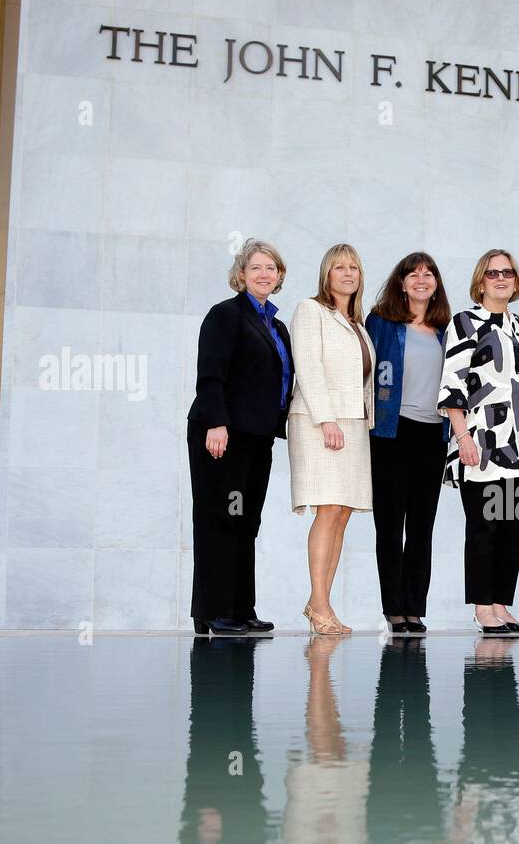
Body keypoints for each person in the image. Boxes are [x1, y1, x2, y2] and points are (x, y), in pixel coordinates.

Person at [186, 238, 292, 635]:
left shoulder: (276, 326)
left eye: (270, 268)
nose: (264, 274)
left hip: (257, 439)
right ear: (241, 274)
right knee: (221, 519)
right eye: (256, 268)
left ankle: (241, 609)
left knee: (246, 521)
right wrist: (217, 423)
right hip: (223, 436)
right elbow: (210, 373)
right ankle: (215, 612)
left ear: (279, 275)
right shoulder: (225, 315)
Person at [439, 248, 519, 635]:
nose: (501, 279)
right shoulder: (466, 322)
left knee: (514, 527)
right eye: (493, 273)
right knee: (484, 527)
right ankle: (483, 608)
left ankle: (500, 604)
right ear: (480, 281)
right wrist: (462, 435)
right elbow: (452, 383)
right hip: (480, 442)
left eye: (507, 273)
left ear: (516, 281)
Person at [288, 244, 375, 636]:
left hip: (353, 424)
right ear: (326, 274)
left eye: (353, 267)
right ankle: (319, 604)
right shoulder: (311, 311)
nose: (348, 273)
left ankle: (320, 601)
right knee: (328, 509)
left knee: (342, 512)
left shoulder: (357, 323)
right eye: (339, 267)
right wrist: (327, 420)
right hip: (320, 421)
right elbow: (308, 367)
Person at [365, 253, 452, 635]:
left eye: (428, 274)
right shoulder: (381, 322)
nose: (421, 279)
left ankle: (414, 608)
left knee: (421, 526)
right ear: (401, 283)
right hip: (391, 432)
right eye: (413, 274)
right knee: (389, 524)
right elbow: (364, 375)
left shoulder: (447, 330)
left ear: (436, 284)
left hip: (432, 434)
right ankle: (393, 608)